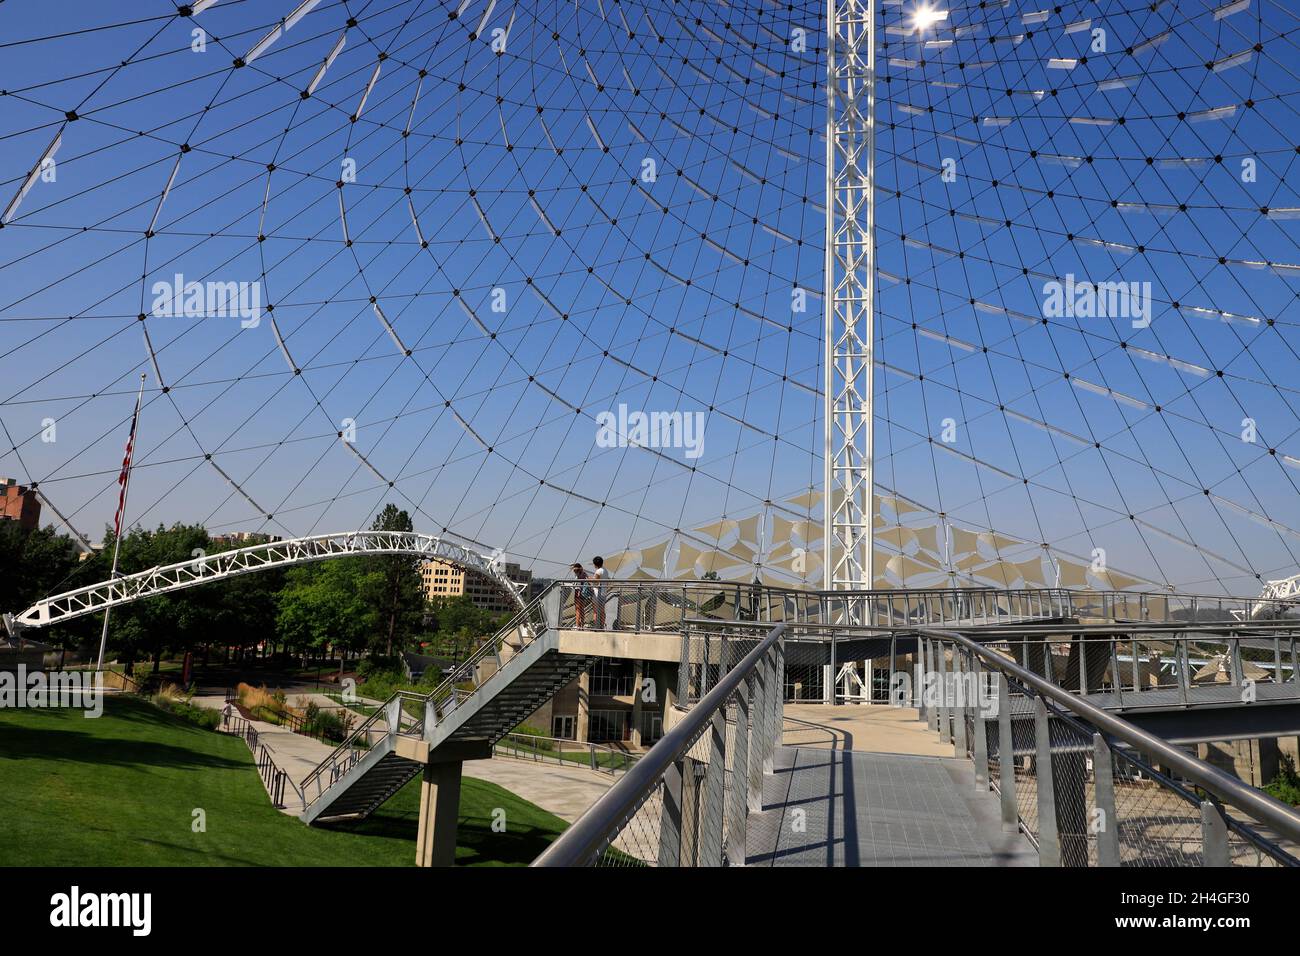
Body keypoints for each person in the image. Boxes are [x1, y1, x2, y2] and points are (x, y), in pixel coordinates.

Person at [571, 562, 591, 627]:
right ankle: (582, 624)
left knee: (577, 610)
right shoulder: (584, 574)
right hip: (584, 593)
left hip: (578, 593)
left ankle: (577, 625)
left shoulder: (578, 575)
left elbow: (578, 584)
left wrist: (579, 591)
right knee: (582, 609)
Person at [590, 555, 607, 628]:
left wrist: (589, 579)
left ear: (595, 564)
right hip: (603, 592)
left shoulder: (598, 571)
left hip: (597, 593)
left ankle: (596, 626)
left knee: (595, 611)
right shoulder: (605, 570)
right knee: (602, 611)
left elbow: (595, 582)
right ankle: (602, 626)